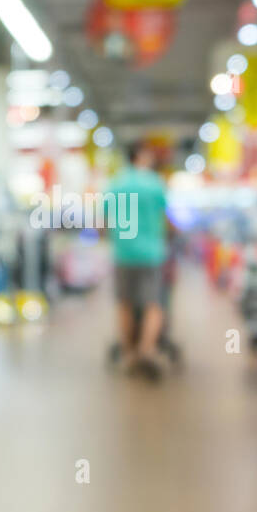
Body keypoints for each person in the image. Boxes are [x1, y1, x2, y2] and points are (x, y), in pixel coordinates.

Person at [104, 139, 168, 378]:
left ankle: (128, 353)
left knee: (125, 303)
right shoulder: (154, 183)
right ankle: (147, 350)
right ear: (141, 156)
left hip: (123, 252)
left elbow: (105, 220)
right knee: (153, 304)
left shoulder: (116, 183)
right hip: (151, 253)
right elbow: (166, 215)